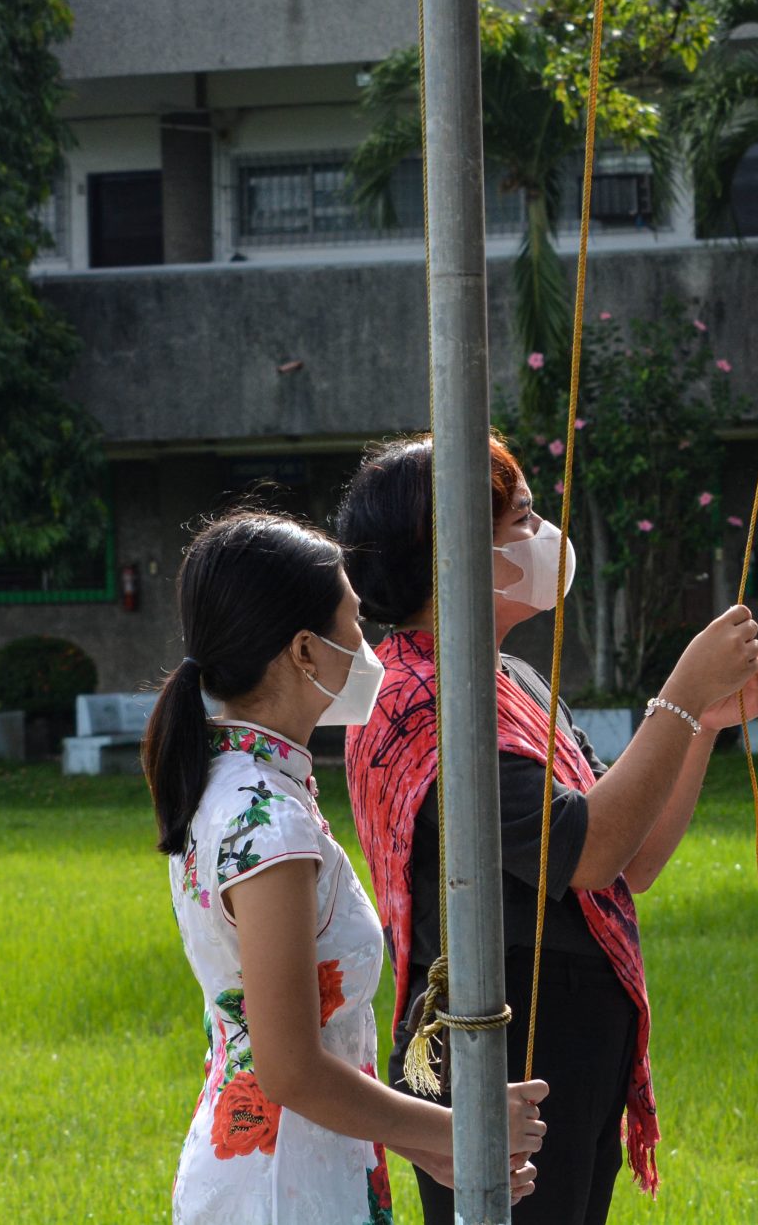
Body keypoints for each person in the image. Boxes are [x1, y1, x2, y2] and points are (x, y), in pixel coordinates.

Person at [336, 436, 758, 1225]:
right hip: (505, 1040)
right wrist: (680, 689)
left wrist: (703, 722)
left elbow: (632, 858)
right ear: (458, 553)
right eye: (523, 517)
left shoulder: (509, 681)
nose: (544, 534)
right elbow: (590, 847)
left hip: (567, 1038)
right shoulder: (420, 700)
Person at [141, 509, 547, 1222]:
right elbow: (291, 1066)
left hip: (289, 1166)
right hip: (286, 1186)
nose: (370, 648)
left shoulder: (240, 785)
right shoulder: (266, 818)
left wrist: (432, 1147)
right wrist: (460, 1134)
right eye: (354, 625)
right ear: (304, 650)